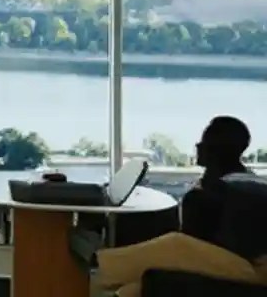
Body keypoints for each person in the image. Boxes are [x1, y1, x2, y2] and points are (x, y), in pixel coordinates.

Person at [93, 116, 267, 297]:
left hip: (252, 272)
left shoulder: (211, 195)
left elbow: (193, 252)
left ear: (216, 150)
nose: (198, 146)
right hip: (251, 268)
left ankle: (96, 272)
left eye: (204, 141)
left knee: (175, 246)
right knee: (133, 290)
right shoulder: (254, 185)